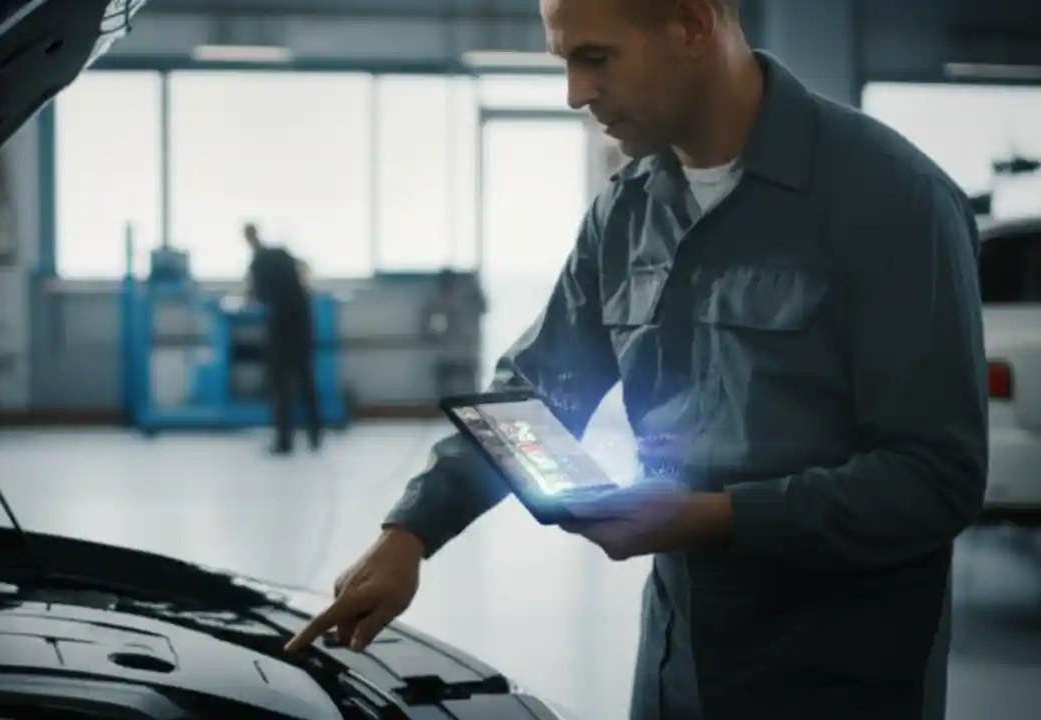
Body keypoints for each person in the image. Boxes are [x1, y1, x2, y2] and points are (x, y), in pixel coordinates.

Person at [284, 1, 987, 718]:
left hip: (837, 680)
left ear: (691, 23)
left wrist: (714, 518)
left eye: (595, 57)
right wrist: (409, 534)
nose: (575, 93)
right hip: (675, 668)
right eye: (565, 63)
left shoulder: (894, 200)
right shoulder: (625, 211)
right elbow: (534, 390)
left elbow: (935, 479)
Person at [243, 222, 322, 454]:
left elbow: (258, 296)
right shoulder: (281, 253)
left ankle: (284, 440)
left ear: (248, 239)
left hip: (281, 325)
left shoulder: (258, 262)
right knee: (306, 379)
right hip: (302, 322)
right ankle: (315, 435)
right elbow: (304, 278)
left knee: (281, 384)